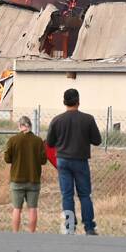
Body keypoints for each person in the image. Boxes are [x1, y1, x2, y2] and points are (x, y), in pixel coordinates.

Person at [45, 88, 102, 235]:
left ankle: (70, 226)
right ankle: (89, 227)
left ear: (64, 102)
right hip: (80, 160)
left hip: (63, 161)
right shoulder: (88, 119)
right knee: (84, 195)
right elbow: (97, 141)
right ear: (78, 101)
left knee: (67, 195)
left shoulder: (57, 120)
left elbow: (50, 143)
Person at [3, 115, 47, 233]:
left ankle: (15, 233)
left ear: (20, 126)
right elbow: (43, 160)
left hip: (17, 180)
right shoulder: (38, 141)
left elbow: (7, 159)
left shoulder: (13, 140)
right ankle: (31, 234)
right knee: (32, 209)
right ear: (30, 126)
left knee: (17, 208)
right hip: (33, 180)